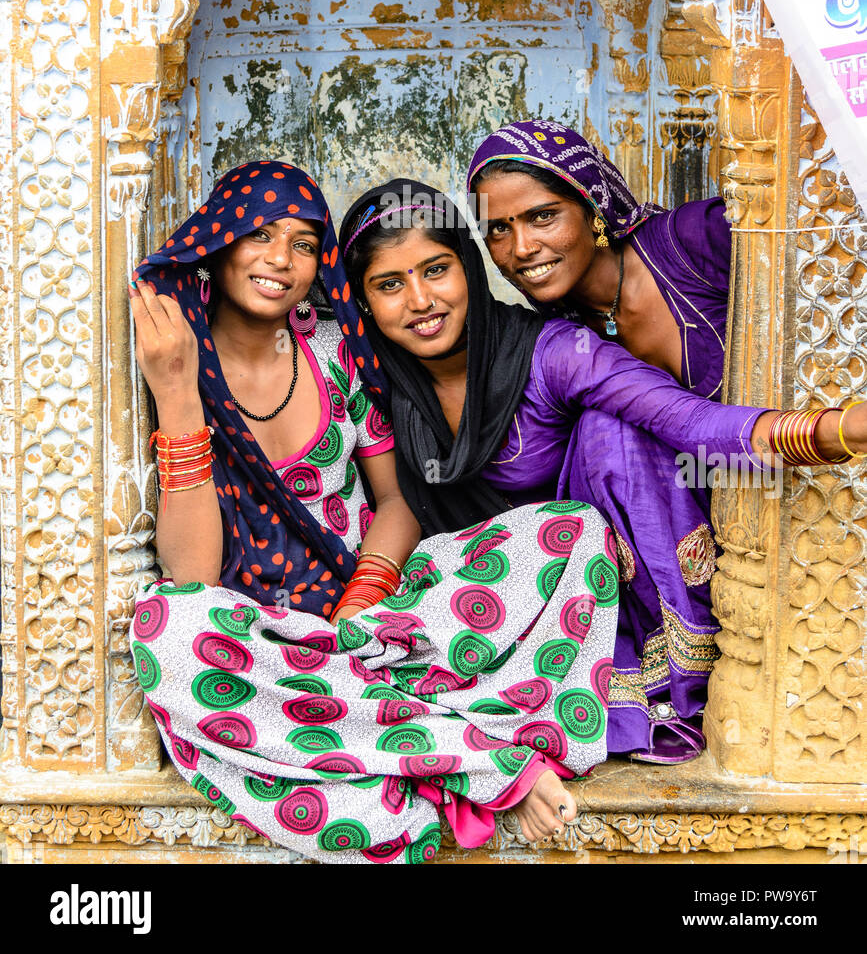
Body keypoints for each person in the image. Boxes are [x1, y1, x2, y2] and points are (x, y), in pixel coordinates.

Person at [128, 159, 620, 864]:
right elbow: (195, 573)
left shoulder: (331, 346)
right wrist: (177, 395)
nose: (281, 259)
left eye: (303, 242)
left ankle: (388, 733)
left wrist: (365, 598)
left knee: (569, 531)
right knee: (169, 627)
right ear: (220, 239)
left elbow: (394, 501)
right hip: (264, 645)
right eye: (260, 233)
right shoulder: (177, 355)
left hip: (386, 624)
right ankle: (483, 760)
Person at [340, 178, 867, 765]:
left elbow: (687, 422)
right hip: (472, 599)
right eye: (390, 284)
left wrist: (832, 431)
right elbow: (394, 499)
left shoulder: (554, 353)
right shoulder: (368, 378)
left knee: (612, 433)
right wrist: (363, 596)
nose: (420, 301)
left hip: (588, 597)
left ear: (467, 266)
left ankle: (653, 687)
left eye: (436, 270)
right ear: (362, 302)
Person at [468, 119, 730, 397]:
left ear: (594, 210)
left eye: (543, 216)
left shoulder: (698, 237)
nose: (521, 249)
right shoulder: (555, 340)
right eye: (499, 228)